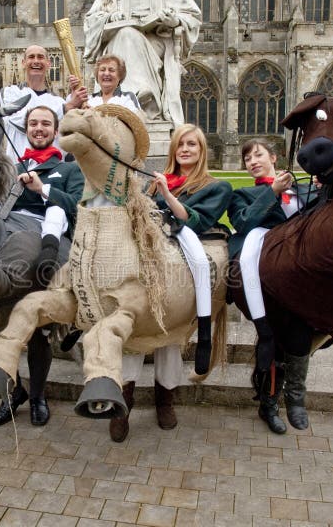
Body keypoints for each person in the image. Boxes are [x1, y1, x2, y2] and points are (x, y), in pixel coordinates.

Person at [228, 139, 333, 434]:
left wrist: (324, 186)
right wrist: (271, 193)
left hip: (308, 276)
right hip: (273, 277)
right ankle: (270, 402)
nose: (252, 160)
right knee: (282, 340)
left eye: (258, 154)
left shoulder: (305, 190)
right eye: (247, 157)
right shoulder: (243, 194)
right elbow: (244, 223)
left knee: (313, 334)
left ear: (274, 157)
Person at [108, 124, 232, 442]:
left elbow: (196, 220)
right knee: (137, 326)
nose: (185, 149)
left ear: (202, 151)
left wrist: (164, 194)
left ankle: (166, 401)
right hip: (150, 254)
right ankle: (124, 404)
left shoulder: (216, 187)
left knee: (168, 336)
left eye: (192, 144)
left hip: (181, 254)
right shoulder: (159, 183)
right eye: (180, 145)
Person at [0, 106, 85, 427]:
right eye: (33, 123)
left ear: (55, 130)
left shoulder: (70, 169)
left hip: (51, 246)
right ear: (26, 129)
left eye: (46, 123)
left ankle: (39, 395)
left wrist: (42, 189)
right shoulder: (11, 167)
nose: (39, 128)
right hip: (9, 245)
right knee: (1, 323)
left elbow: (75, 207)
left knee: (39, 327)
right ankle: (12, 392)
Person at [83, 0, 201, 125]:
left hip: (156, 40)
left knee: (127, 35)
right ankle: (136, 96)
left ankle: (127, 100)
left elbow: (193, 17)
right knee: (126, 34)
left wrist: (175, 21)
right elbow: (90, 20)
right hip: (119, 38)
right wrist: (110, 18)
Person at [0, 45, 87, 164]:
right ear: (23, 62)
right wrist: (66, 108)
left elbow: (67, 138)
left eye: (40, 57)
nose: (36, 61)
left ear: (48, 63)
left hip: (52, 172)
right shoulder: (10, 92)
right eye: (31, 57)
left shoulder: (59, 101)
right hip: (19, 170)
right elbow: (20, 122)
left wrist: (77, 105)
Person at [66, 54, 141, 113]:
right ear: (97, 75)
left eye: (111, 70)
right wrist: (74, 93)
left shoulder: (128, 97)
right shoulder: (88, 100)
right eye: (102, 70)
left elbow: (134, 122)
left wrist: (95, 113)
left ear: (120, 75)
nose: (106, 73)